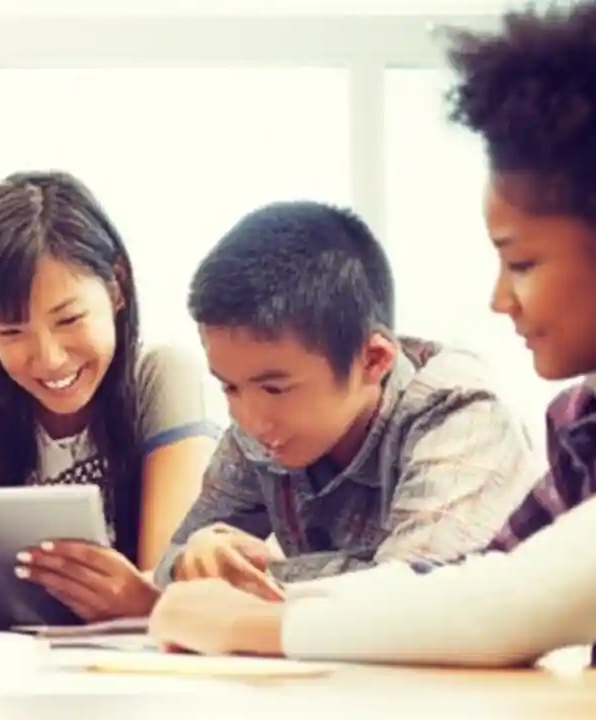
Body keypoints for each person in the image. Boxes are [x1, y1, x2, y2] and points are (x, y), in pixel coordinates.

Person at [151, 4, 596, 664]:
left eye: (522, 262)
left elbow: (498, 609)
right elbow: (461, 588)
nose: (499, 300)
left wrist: (238, 618)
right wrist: (196, 575)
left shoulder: (458, 408)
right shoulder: (580, 422)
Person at [147, 200, 540, 601]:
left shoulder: (463, 414)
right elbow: (171, 566)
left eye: (275, 389)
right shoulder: (261, 428)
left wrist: (245, 576)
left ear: (373, 359)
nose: (249, 418)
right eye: (229, 388)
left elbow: (414, 596)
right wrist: (197, 558)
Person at [0, 171, 218, 621]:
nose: (49, 359)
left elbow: (166, 576)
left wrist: (140, 599)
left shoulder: (161, 377)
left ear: (117, 286)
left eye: (69, 319)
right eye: (11, 331)